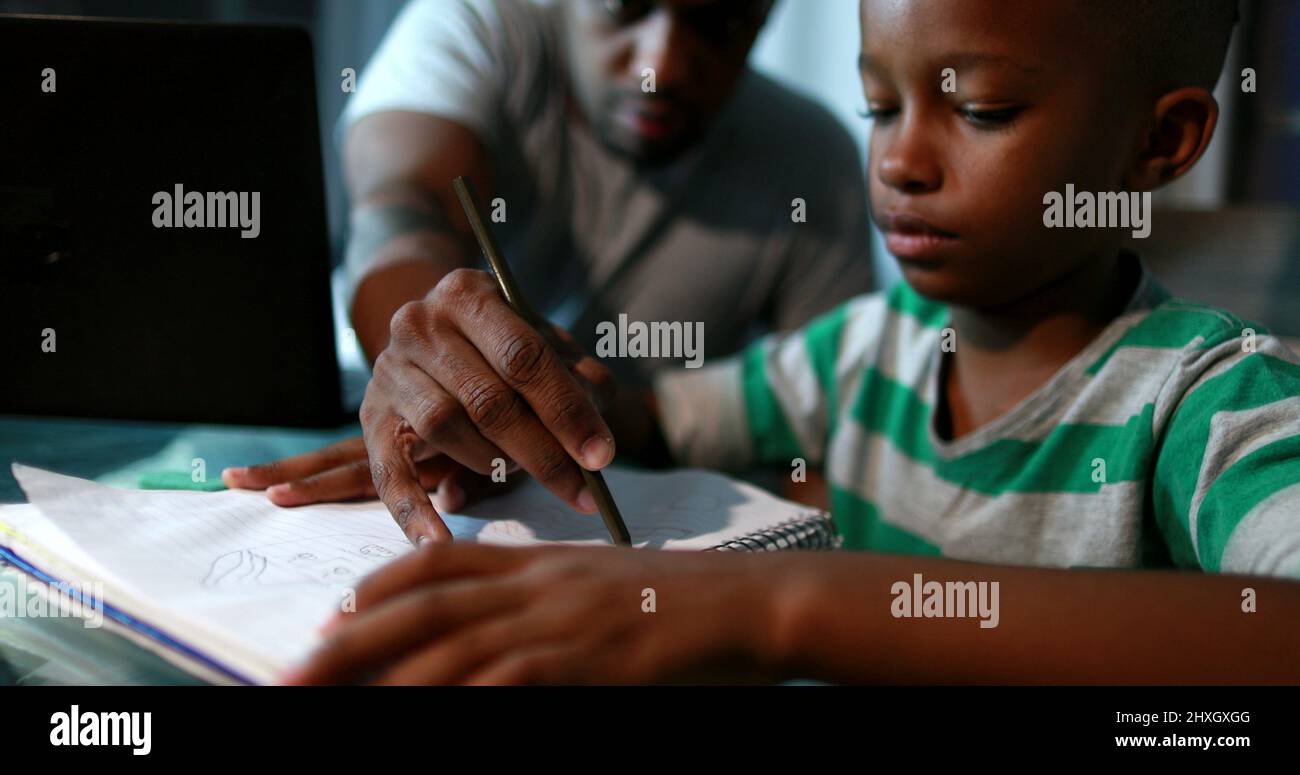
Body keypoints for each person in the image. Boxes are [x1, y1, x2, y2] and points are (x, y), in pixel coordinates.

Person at [284, 0, 1300, 685]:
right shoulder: (862, 350)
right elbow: (644, 419)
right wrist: (499, 409)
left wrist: (774, 604)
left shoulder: (1208, 400)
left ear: (1160, 141)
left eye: (978, 109)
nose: (900, 158)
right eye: (878, 105)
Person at [221, 0, 873, 513]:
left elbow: (822, 436)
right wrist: (436, 373)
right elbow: (401, 211)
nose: (663, 64)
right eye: (626, 4)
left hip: (629, 506)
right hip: (378, 424)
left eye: (722, 23)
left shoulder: (818, 166)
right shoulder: (478, 32)